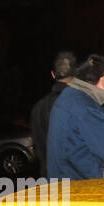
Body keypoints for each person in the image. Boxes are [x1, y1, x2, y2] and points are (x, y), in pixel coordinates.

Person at [46, 53, 104, 180]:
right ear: (103, 78)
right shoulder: (85, 106)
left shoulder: (69, 96)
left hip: (64, 182)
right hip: (82, 186)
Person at [29, 49, 75, 178]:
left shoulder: (38, 107)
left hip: (48, 176)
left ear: (53, 75)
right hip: (75, 180)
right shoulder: (80, 105)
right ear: (76, 74)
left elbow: (37, 145)